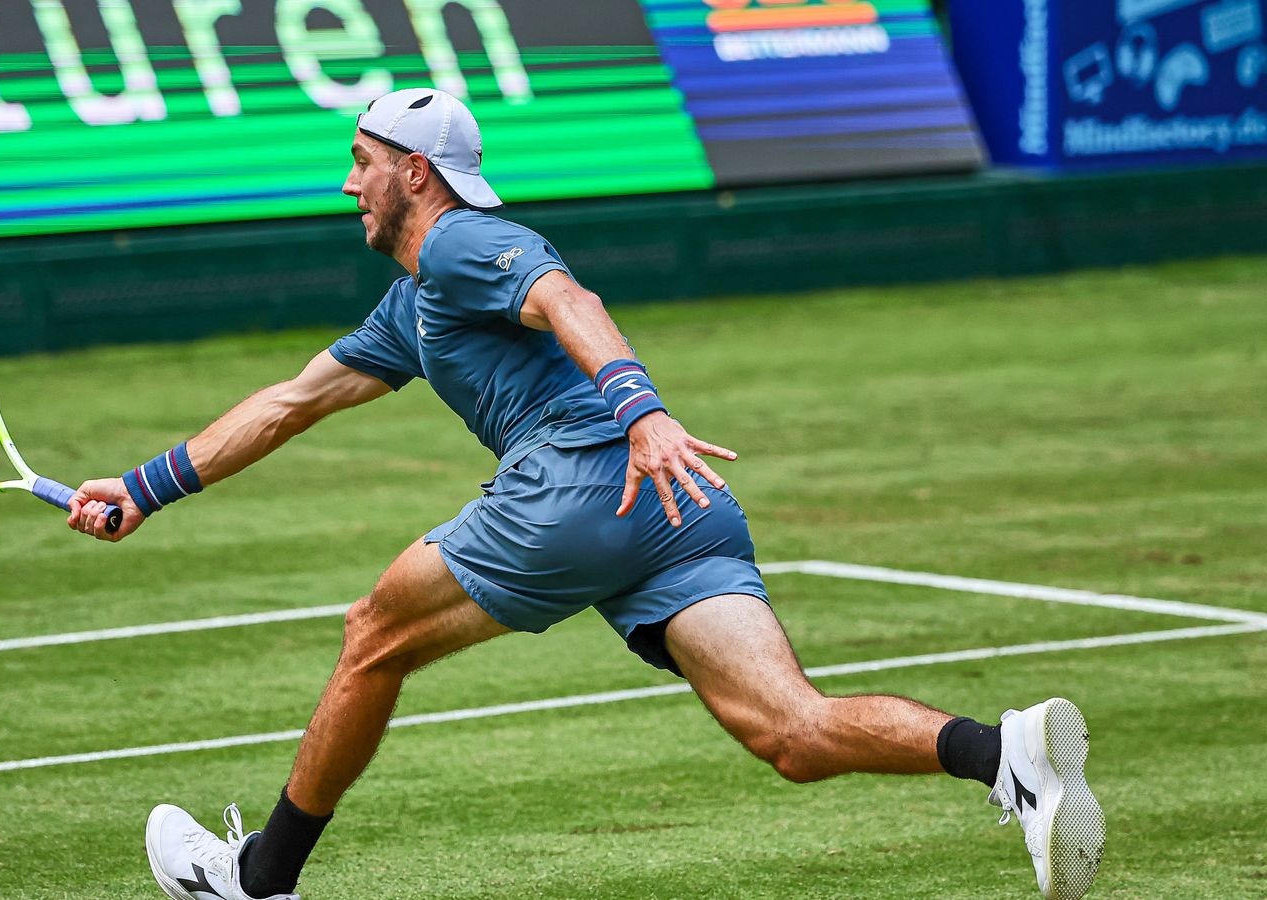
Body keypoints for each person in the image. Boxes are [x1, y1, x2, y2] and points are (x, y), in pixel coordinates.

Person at [66, 88, 1104, 900]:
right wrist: (147, 489)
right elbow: (294, 400)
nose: (349, 185)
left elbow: (570, 299)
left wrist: (641, 409)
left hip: (585, 479)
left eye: (363, 164)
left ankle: (260, 879)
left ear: (415, 175)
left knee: (371, 635)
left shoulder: (468, 243)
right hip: (672, 510)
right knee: (790, 733)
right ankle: (1000, 756)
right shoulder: (413, 303)